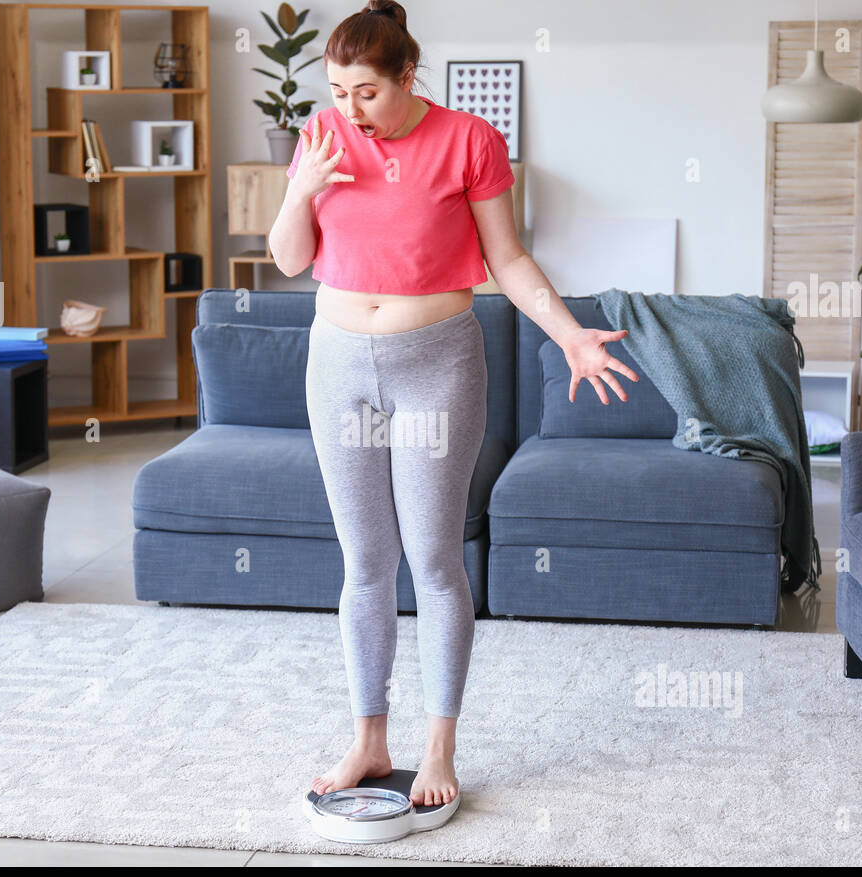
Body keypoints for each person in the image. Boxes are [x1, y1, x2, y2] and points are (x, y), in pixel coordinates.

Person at [268, 0, 638, 808]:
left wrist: (570, 335)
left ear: (408, 75)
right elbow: (293, 260)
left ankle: (439, 748)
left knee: (433, 561)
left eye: (367, 91)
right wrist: (303, 189)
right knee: (364, 563)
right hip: (336, 362)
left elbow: (505, 256)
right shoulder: (322, 139)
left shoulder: (470, 140)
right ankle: (369, 740)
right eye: (335, 89)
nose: (349, 108)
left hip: (434, 362)